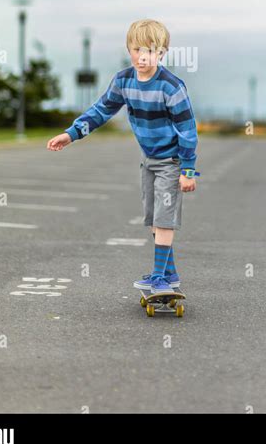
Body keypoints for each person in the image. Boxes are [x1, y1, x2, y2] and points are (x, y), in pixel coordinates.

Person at [47, 18, 199, 296]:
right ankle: (170, 273)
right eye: (138, 49)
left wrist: (188, 170)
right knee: (154, 218)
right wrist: (71, 134)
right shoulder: (124, 80)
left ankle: (159, 278)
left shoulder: (171, 87)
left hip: (171, 161)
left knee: (165, 219)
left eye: (151, 51)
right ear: (129, 49)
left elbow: (187, 130)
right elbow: (100, 110)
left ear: (162, 53)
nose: (143, 57)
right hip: (149, 160)